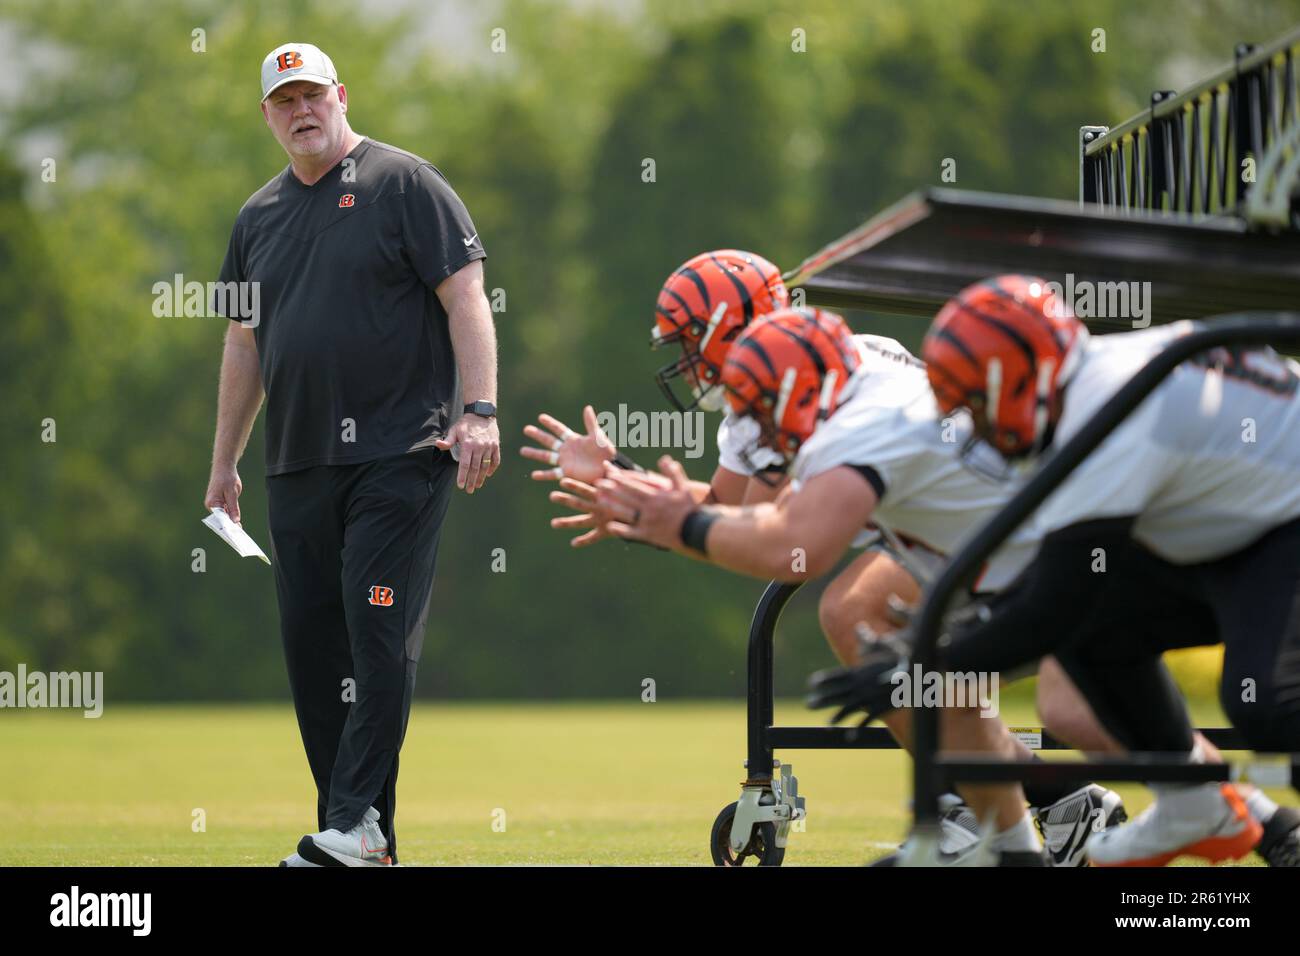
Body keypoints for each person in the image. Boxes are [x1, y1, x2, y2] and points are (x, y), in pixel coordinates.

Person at [593, 306, 1126, 864]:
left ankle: (1171, 808)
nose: (685, 364)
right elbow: (743, 520)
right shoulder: (829, 378)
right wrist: (631, 491)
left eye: (689, 343)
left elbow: (782, 546)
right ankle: (1020, 830)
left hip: (1052, 544)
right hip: (986, 542)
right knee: (934, 677)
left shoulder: (857, 421)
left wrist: (661, 514)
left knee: (890, 637)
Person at [811, 275, 1300, 866]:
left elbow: (1050, 609)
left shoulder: (1102, 412)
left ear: (1020, 378)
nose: (980, 430)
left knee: (1270, 703)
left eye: (978, 406)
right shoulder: (1089, 384)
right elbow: (1066, 605)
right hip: (1247, 524)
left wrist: (911, 673)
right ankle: (1193, 804)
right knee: (1098, 627)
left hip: (1279, 517)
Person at [205, 42, 500, 866]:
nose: (301, 110)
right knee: (312, 651)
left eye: (312, 95)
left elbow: (465, 297)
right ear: (267, 115)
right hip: (294, 465)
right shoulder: (256, 217)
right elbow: (243, 342)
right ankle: (362, 838)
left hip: (399, 455)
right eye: (283, 100)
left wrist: (480, 411)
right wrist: (224, 461)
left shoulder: (404, 183)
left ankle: (357, 821)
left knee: (377, 635)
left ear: (340, 96)